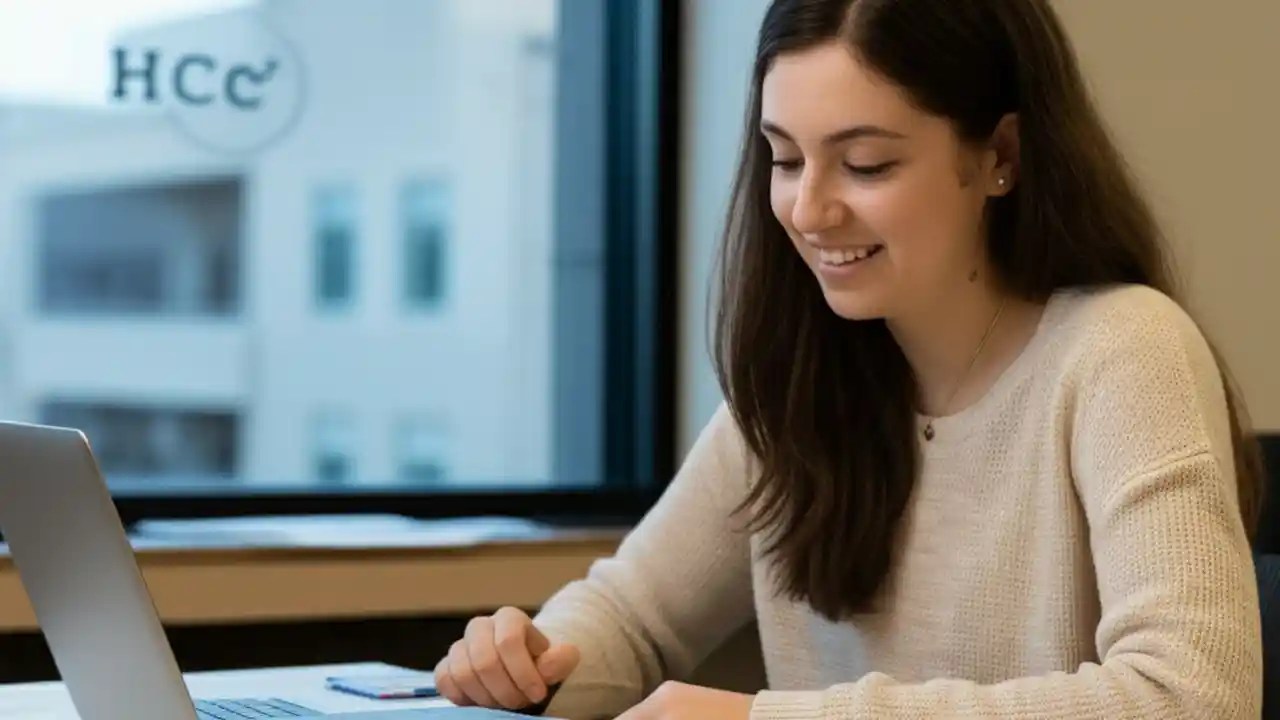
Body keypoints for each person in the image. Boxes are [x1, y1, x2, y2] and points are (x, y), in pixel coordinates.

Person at [433, 0, 1264, 717]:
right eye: (785, 158)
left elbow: (1191, 696)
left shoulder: (1123, 350)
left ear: (1000, 158)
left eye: (867, 164)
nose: (808, 208)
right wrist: (529, 662)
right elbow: (633, 616)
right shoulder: (803, 380)